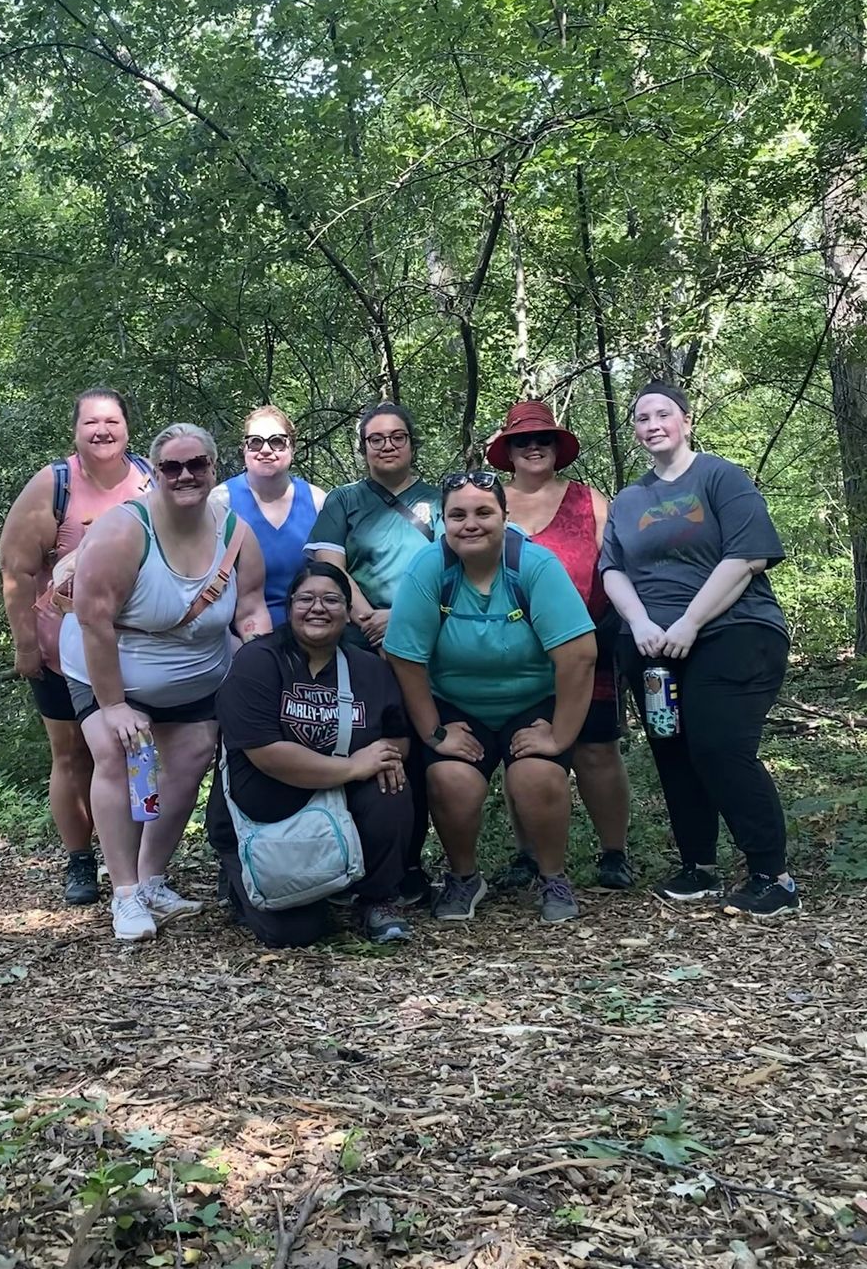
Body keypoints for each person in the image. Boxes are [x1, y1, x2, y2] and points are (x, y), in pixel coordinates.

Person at [58, 424, 272, 941]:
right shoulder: (124, 530)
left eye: (196, 464)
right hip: (110, 669)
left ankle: (151, 876)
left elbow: (250, 609)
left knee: (192, 755)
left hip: (198, 673)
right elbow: (94, 619)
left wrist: (263, 667)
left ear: (213, 468)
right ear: (155, 473)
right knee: (120, 755)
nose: (185, 475)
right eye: (172, 467)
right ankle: (125, 894)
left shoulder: (236, 532)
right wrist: (112, 706)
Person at [600, 383, 798, 918]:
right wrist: (639, 622)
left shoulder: (720, 477)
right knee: (673, 749)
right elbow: (612, 569)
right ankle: (699, 867)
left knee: (717, 747)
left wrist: (690, 621)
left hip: (732, 633)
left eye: (663, 413)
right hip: (649, 647)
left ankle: (771, 875)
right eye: (642, 418)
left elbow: (747, 558)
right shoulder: (628, 499)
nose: (652, 424)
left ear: (686, 420)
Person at [384, 470, 598, 924]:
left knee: (535, 776)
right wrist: (434, 732)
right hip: (458, 704)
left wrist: (560, 736)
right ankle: (464, 878)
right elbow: (405, 657)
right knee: (449, 780)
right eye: (457, 515)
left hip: (531, 701)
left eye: (484, 512)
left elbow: (579, 655)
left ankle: (553, 877)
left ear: (505, 515)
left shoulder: (534, 566)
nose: (471, 523)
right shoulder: (429, 569)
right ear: (443, 522)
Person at [206, 561, 415, 948]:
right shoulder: (257, 662)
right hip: (269, 811)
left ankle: (378, 898)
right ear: (289, 607)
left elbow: (399, 735)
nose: (318, 608)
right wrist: (353, 766)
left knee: (392, 781)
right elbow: (267, 754)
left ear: (348, 611)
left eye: (332, 600)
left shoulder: (369, 668)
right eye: (306, 599)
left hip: (342, 801)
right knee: (297, 931)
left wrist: (384, 755)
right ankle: (243, 878)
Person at [0, 389, 153, 907]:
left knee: (137, 754)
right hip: (61, 652)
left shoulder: (152, 479)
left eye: (112, 421)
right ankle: (80, 860)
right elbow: (17, 568)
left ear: (128, 428)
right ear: (76, 430)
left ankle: (138, 865)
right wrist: (25, 645)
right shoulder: (54, 485)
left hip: (139, 651)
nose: (102, 431)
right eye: (91, 422)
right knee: (71, 755)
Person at [486, 400, 632, 892]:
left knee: (595, 751)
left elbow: (616, 569)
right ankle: (530, 855)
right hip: (513, 653)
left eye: (542, 439)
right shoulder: (491, 503)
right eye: (522, 440)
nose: (533, 447)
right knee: (522, 752)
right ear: (507, 450)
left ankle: (615, 853)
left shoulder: (589, 501)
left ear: (556, 447)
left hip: (586, 647)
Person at [306, 402, 443, 902]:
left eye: (397, 437)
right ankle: (346, 863)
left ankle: (407, 865)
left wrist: (402, 621)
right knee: (356, 748)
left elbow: (451, 567)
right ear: (363, 447)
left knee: (418, 750)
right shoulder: (344, 502)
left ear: (412, 443)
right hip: (357, 646)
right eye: (376, 438)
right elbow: (328, 564)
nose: (387, 445)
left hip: (426, 642)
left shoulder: (441, 499)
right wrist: (367, 618)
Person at [210, 405, 326, 627]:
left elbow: (332, 576)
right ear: (244, 449)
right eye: (255, 441)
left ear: (292, 447)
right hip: (240, 634)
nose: (265, 449)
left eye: (276, 441)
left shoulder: (317, 501)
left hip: (311, 631)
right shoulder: (220, 502)